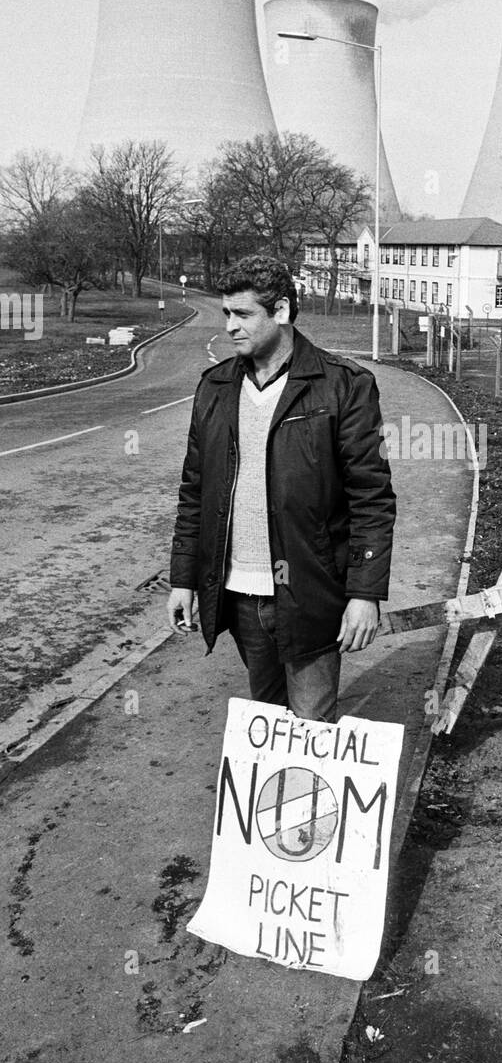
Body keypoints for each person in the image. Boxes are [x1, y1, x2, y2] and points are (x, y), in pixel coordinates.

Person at [166, 256, 396, 726]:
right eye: (226, 314)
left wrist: (364, 594)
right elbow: (195, 494)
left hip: (310, 594)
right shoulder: (215, 387)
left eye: (243, 314)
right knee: (268, 730)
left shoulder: (343, 386)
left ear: (283, 312)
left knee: (311, 734)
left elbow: (371, 497)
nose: (230, 326)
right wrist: (183, 579)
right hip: (238, 595)